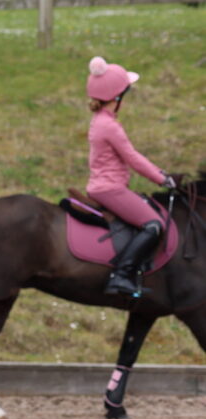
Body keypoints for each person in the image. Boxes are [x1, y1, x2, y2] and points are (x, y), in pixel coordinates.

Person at [84, 56, 176, 297]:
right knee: (154, 225)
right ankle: (121, 276)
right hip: (109, 188)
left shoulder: (100, 120)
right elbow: (132, 158)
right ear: (117, 97)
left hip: (103, 185)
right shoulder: (110, 127)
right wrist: (162, 179)